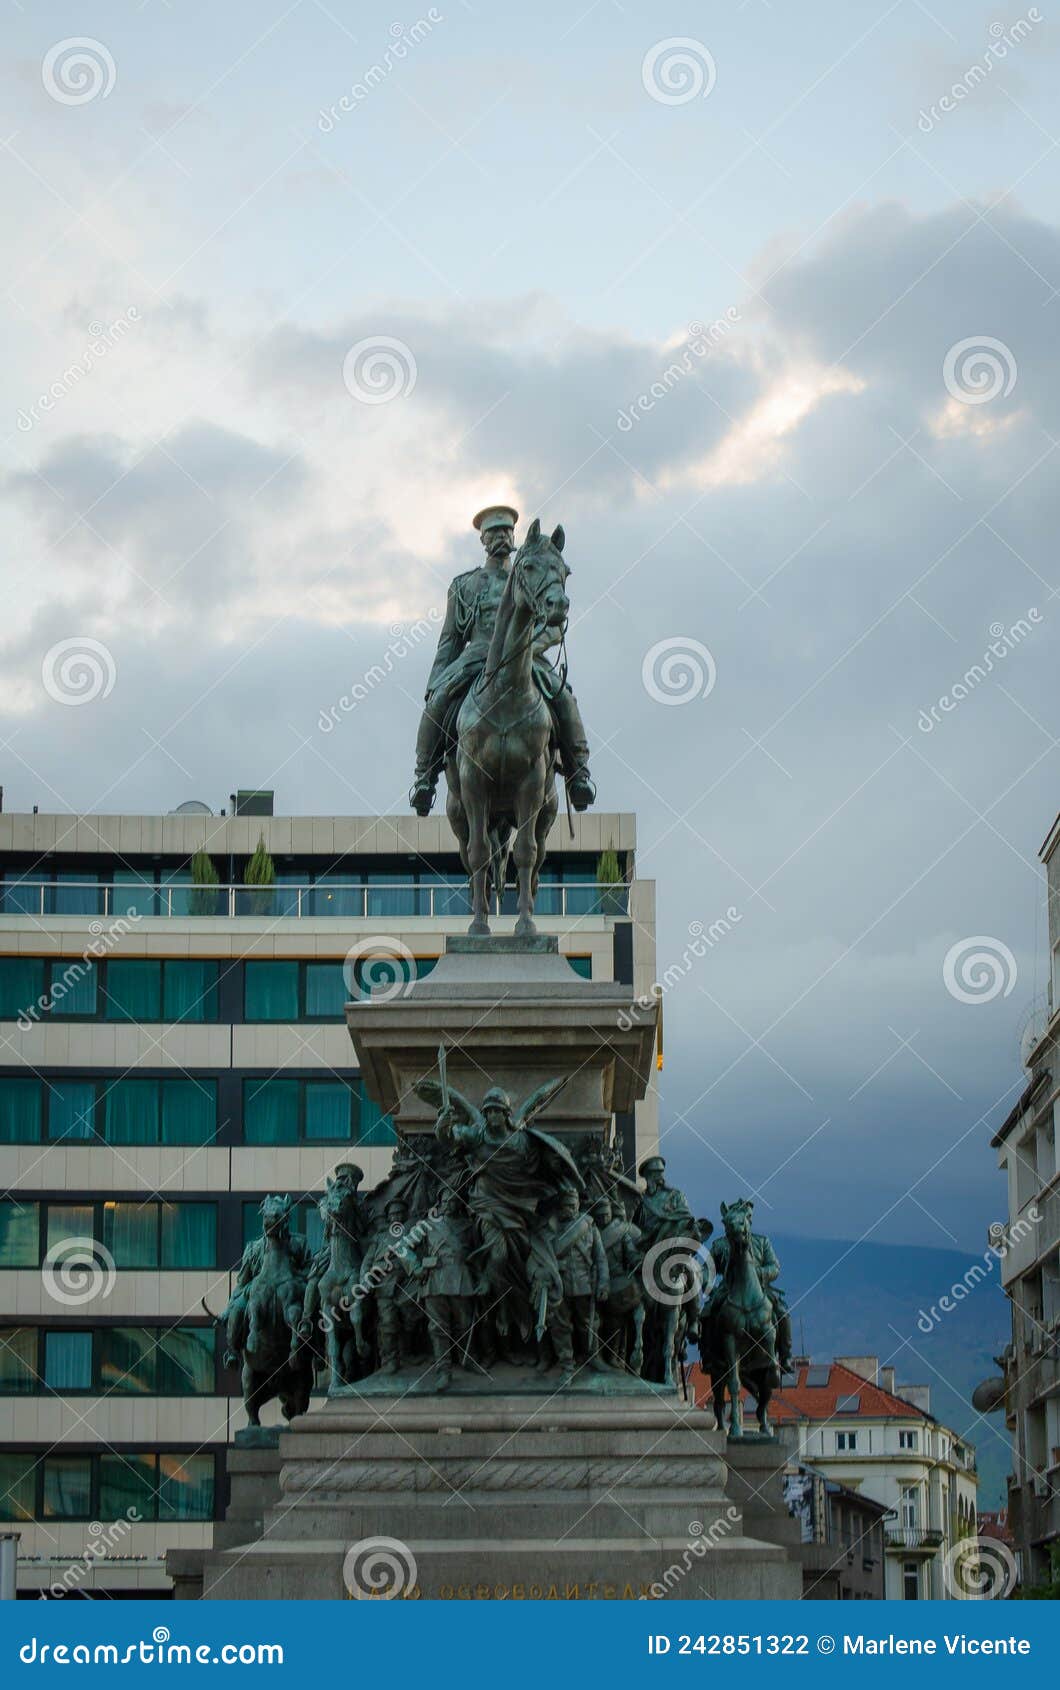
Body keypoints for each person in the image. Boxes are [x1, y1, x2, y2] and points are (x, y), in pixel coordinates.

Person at [409, 505, 595, 816]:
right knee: (438, 702)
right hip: (476, 656)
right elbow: (450, 640)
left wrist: (525, 648)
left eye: (506, 531)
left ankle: (579, 774)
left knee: (564, 697)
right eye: (494, 533)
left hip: (527, 655)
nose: (501, 538)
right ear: (483, 540)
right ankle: (424, 778)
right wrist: (436, 683)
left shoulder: (531, 572)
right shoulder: (464, 585)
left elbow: (552, 628)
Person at [404, 1189, 483, 1390]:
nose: (449, 1204)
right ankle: (443, 1371)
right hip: (435, 1280)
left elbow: (477, 1255)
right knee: (438, 1328)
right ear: (439, 1202)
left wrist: (481, 1278)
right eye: (445, 1200)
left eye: (454, 1201)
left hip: (461, 1279)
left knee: (465, 1324)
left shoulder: (468, 1226)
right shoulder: (428, 1226)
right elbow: (403, 1248)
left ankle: (468, 1359)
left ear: (459, 1204)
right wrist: (415, 1267)